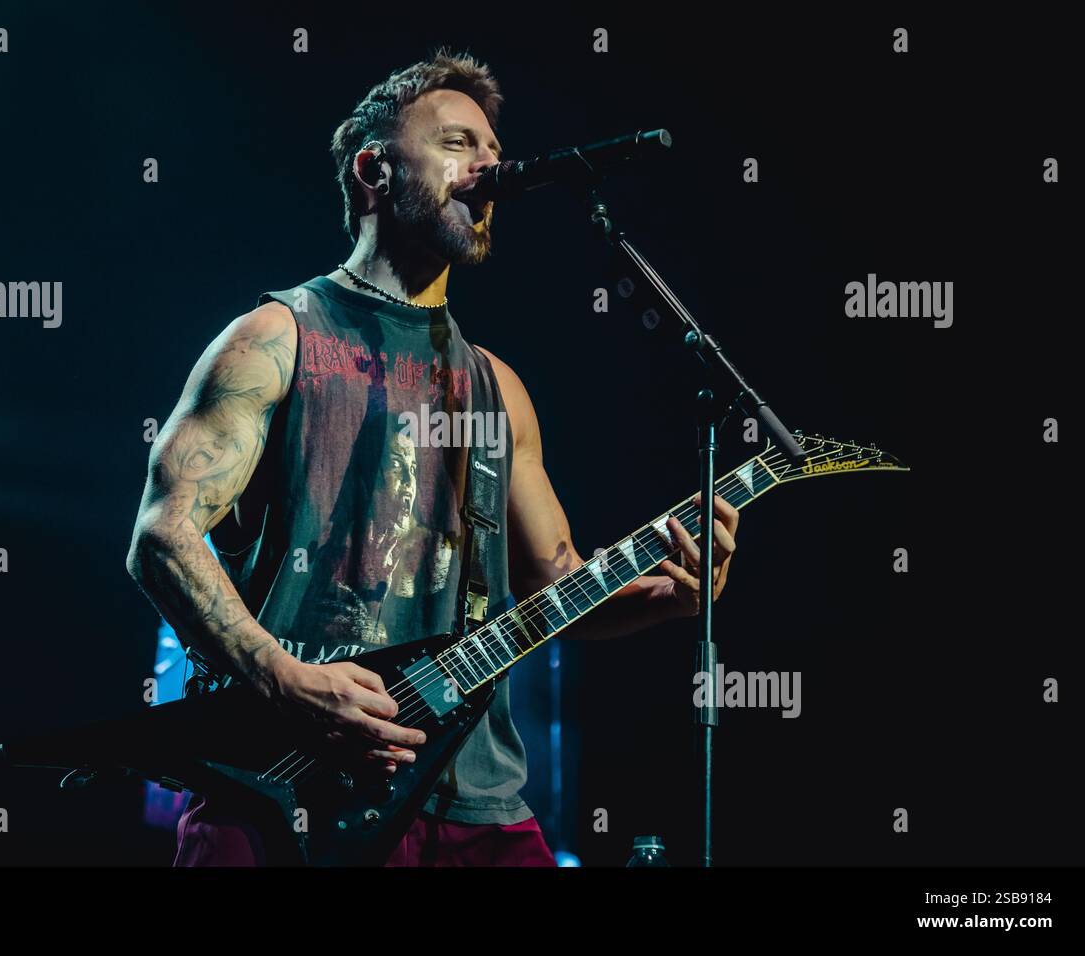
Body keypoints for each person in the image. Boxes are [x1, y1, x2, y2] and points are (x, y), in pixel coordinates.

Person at [126, 49, 740, 866]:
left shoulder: (498, 388)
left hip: (477, 803)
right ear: (375, 169)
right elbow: (162, 537)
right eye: (458, 143)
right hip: (283, 796)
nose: (490, 166)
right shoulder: (275, 339)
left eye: (493, 150)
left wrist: (668, 597)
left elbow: (555, 582)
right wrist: (281, 676)